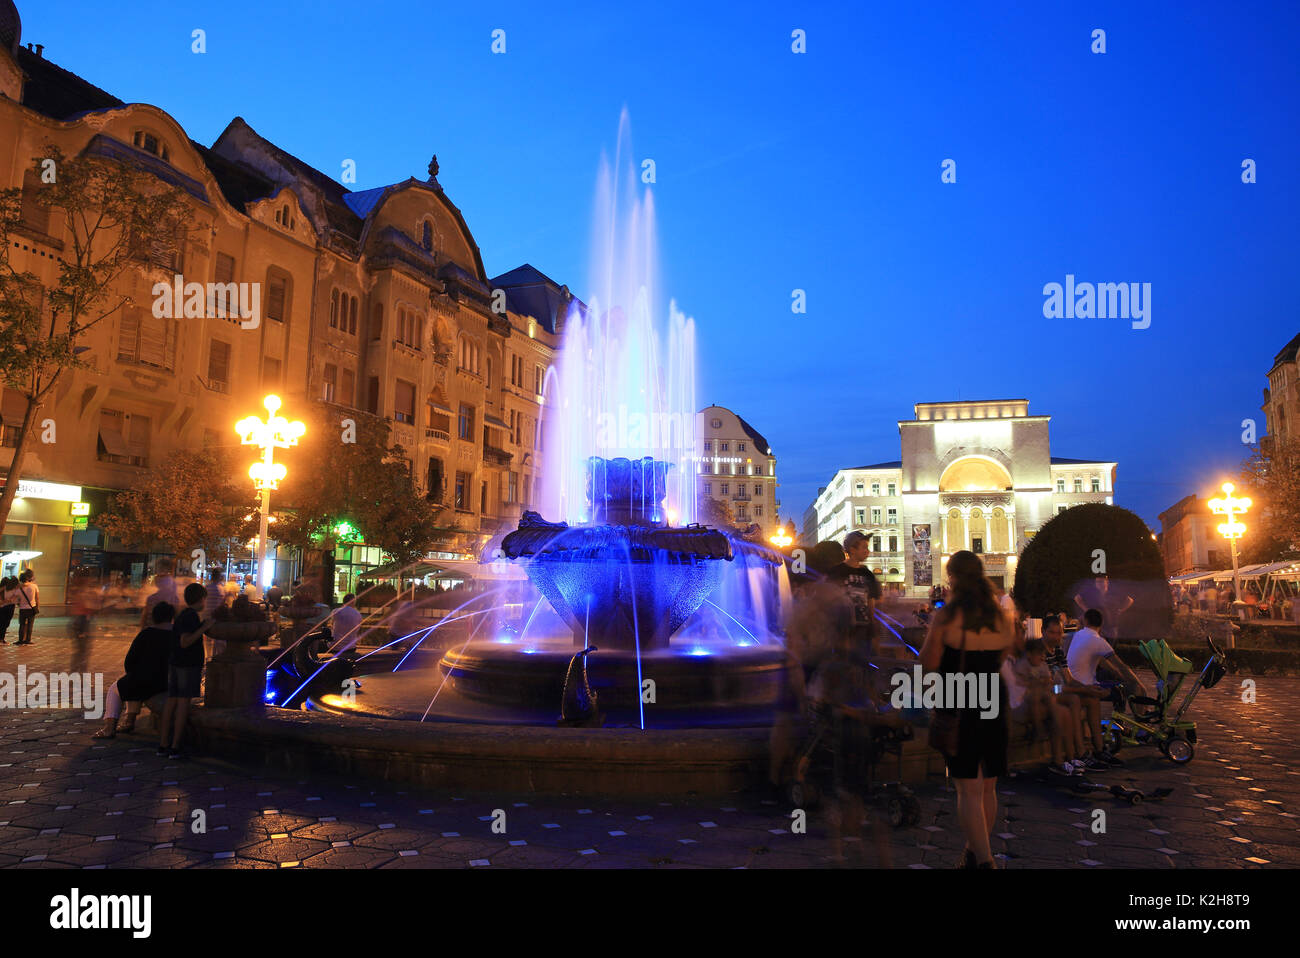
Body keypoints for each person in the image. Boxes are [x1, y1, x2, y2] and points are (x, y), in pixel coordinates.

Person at [920, 550, 1016, 869]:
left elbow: (930, 662)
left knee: (966, 787)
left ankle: (985, 861)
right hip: (993, 694)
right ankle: (975, 852)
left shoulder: (948, 615)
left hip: (959, 697)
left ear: (953, 578)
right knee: (989, 783)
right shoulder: (1000, 614)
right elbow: (1004, 655)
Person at [1066, 608, 1147, 764]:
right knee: (1124, 690)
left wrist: (1116, 673)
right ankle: (1137, 729)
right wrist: (1136, 683)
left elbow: (1103, 661)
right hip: (1086, 686)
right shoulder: (1098, 641)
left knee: (1118, 686)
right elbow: (1121, 665)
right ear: (1101, 624)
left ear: (1085, 621)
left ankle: (1118, 728)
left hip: (1076, 682)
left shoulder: (1080, 635)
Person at [93, 601, 175, 738]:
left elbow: (130, 661)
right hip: (167, 681)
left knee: (116, 688)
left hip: (147, 681)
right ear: (171, 617)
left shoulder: (146, 634)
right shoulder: (177, 635)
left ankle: (109, 728)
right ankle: (129, 721)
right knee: (131, 682)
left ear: (154, 617)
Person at [159, 583, 215, 759]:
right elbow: (185, 641)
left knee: (171, 702)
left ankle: (163, 744)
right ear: (201, 599)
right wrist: (204, 628)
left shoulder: (183, 614)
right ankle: (176, 746)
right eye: (205, 598)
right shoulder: (191, 616)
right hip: (187, 665)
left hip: (176, 663)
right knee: (183, 704)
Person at [1040, 615, 1088, 776]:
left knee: (1090, 699)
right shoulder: (1038, 652)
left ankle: (1084, 752)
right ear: (1043, 631)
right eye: (1052, 633)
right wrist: (1082, 690)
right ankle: (1075, 753)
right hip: (1044, 693)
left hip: (1055, 690)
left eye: (1059, 633)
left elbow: (1069, 679)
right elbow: (1048, 685)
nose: (1056, 637)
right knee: (1073, 700)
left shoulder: (1058, 650)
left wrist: (1087, 688)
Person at [824, 531, 883, 653]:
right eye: (864, 547)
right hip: (842, 630)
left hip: (863, 630)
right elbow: (828, 601)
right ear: (852, 549)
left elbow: (871, 604)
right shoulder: (836, 572)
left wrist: (873, 632)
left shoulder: (868, 574)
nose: (868, 551)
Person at [1073, 574, 1133, 641]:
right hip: (1097, 627)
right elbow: (1077, 598)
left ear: (1106, 582)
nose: (1099, 584)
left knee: (1109, 647)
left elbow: (1129, 600)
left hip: (1111, 626)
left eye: (1101, 581)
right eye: (1097, 582)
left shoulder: (1113, 592)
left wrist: (1121, 610)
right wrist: (1086, 609)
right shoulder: (1092, 592)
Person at [14, 569, 39, 645]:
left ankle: (20, 640)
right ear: (28, 578)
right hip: (32, 608)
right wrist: (37, 607)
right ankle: (28, 640)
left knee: (22, 625)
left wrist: (20, 604)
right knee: (30, 625)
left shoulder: (18, 588)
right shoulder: (34, 586)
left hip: (22, 609)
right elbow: (37, 598)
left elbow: (17, 600)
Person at [0, 575, 16, 644]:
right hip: (6, 609)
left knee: (3, 624)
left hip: (5, 608)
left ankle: (1, 639)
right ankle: (1, 639)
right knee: (4, 624)